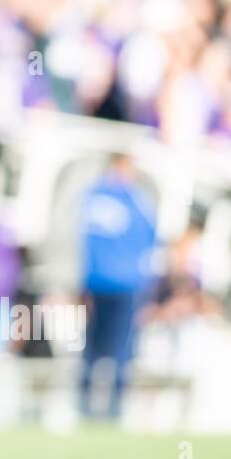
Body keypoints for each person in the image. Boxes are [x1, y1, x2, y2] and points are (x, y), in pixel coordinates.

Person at [77, 153, 159, 420]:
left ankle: (98, 406)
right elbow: (151, 241)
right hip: (118, 284)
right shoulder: (134, 200)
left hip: (106, 283)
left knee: (102, 349)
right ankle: (102, 406)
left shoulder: (92, 196)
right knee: (112, 349)